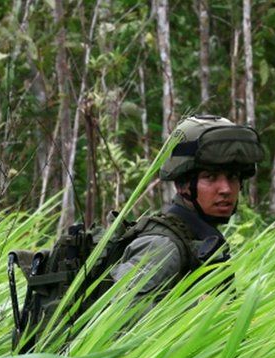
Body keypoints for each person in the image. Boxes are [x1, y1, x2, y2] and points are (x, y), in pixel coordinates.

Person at [109, 114, 264, 302]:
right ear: (181, 184)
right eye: (210, 177)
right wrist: (195, 310)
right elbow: (116, 309)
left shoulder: (199, 238)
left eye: (232, 177)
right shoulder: (163, 246)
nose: (225, 189)